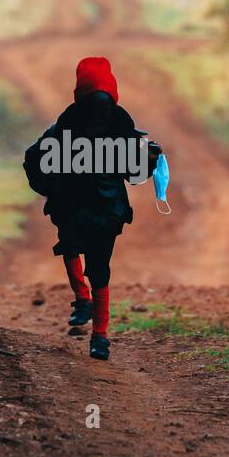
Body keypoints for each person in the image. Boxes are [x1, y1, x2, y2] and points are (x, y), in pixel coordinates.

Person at [23, 57, 161, 361]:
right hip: (85, 205)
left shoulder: (112, 127)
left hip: (97, 208)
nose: (98, 109)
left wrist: (148, 159)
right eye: (93, 101)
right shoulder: (72, 126)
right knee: (90, 261)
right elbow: (35, 160)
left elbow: (33, 160)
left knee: (85, 258)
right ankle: (95, 326)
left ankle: (94, 323)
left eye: (103, 102)